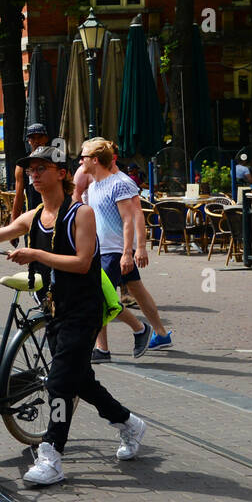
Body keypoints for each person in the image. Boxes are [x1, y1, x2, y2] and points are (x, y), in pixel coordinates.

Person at [0, 145, 147, 486]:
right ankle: (128, 423)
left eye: (41, 168)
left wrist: (36, 253)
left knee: (58, 382)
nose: (34, 174)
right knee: (79, 379)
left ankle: (52, 454)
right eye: (31, 170)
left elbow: (84, 262)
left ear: (61, 173)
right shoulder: (34, 215)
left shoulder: (81, 213)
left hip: (83, 311)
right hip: (54, 308)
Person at [80, 138, 170, 358]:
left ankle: (105, 347)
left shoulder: (119, 183)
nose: (80, 159)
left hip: (114, 251)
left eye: (84, 155)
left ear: (95, 159)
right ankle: (161, 333)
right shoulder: (92, 187)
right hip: (103, 250)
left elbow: (132, 218)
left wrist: (134, 250)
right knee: (136, 289)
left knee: (99, 297)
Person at [10, 124, 52, 220]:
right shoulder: (22, 166)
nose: (37, 141)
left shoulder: (55, 161)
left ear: (46, 138)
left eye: (40, 137)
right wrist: (14, 222)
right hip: (33, 216)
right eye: (32, 138)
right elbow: (19, 196)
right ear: (28, 141)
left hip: (55, 215)